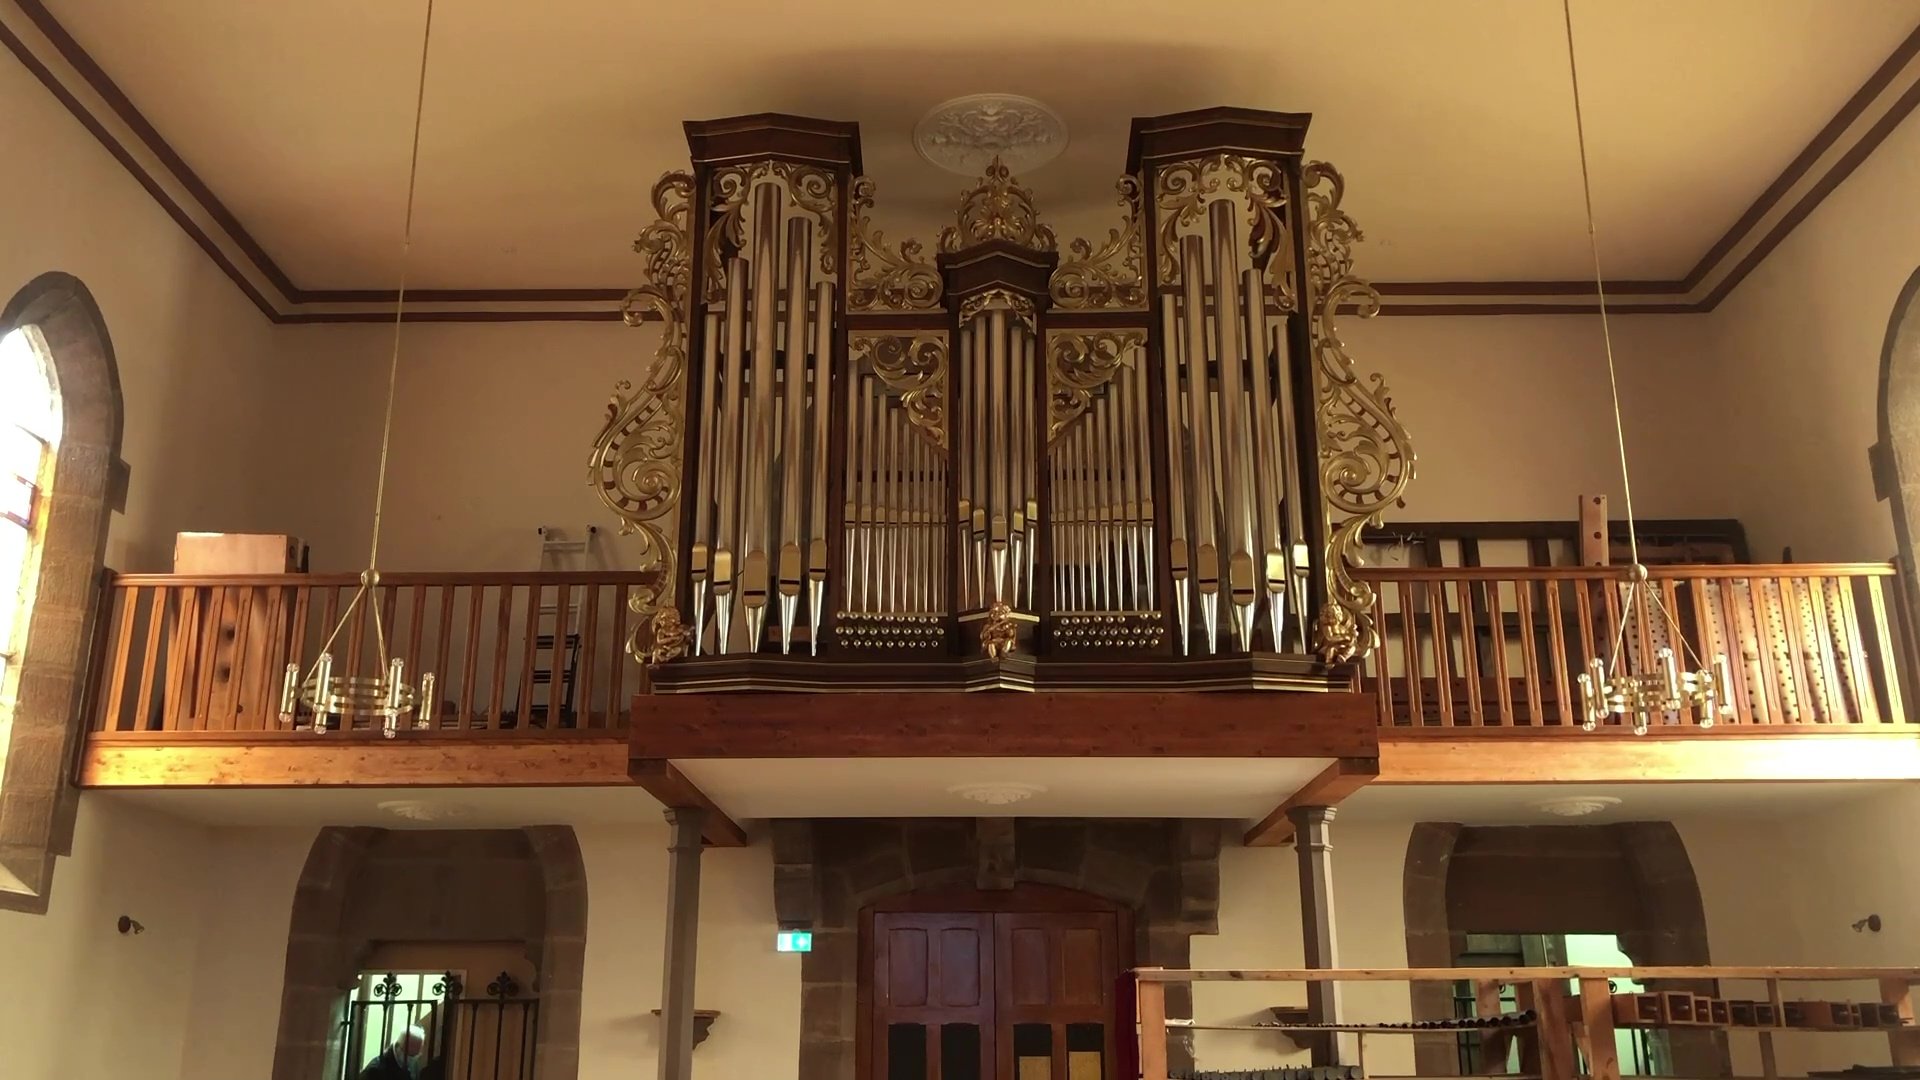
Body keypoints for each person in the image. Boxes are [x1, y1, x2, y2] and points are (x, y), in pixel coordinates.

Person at [358, 1025, 428, 1079]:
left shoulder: (412, 1066)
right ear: (399, 1048)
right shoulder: (375, 1071)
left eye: (416, 1055)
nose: (413, 1059)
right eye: (411, 1055)